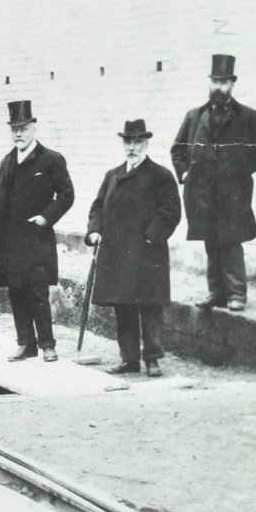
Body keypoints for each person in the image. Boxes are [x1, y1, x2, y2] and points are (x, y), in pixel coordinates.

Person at [171, 54, 256, 311]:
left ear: (232, 84)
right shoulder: (195, 116)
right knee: (210, 242)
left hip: (232, 192)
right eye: (215, 81)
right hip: (202, 193)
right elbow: (178, 149)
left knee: (231, 242)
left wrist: (239, 170)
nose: (218, 87)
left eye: (224, 82)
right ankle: (216, 293)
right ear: (210, 82)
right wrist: (183, 173)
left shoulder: (248, 116)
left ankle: (237, 295)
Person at [85, 119, 182, 376]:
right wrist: (94, 230)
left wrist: (151, 237)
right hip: (117, 254)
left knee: (150, 306)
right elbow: (97, 206)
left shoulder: (160, 175)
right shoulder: (113, 175)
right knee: (123, 306)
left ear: (146, 143)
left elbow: (171, 212)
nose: (132, 147)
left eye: (137, 141)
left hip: (147, 253)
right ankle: (129, 359)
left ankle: (152, 359)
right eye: (128, 141)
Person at [0, 100, 74, 362]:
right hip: (10, 241)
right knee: (16, 291)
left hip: (36, 238)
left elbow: (67, 195)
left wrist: (47, 217)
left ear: (34, 127)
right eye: (14, 128)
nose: (18, 133)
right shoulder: (7, 162)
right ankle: (26, 343)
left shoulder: (51, 160)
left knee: (37, 291)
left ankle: (47, 344)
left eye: (23, 127)